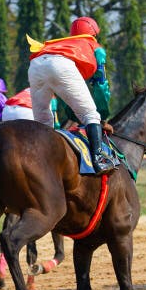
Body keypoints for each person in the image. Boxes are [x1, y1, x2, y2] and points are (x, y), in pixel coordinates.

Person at [27, 16, 115, 174]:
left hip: (36, 64)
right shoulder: (95, 46)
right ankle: (99, 160)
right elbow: (101, 86)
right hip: (60, 64)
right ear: (93, 34)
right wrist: (102, 114)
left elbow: (66, 94)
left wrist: (72, 113)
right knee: (91, 114)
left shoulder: (61, 43)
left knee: (43, 122)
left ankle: (38, 161)